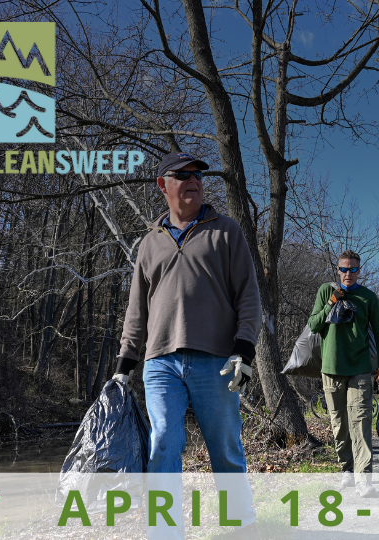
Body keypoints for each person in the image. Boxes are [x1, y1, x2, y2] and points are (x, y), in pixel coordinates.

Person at [112, 152, 263, 539]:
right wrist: (124, 366)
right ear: (163, 185)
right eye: (183, 175)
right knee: (164, 442)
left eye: (198, 175)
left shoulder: (226, 231)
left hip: (217, 360)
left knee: (226, 449)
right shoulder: (149, 243)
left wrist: (245, 351)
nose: (194, 180)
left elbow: (248, 295)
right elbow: (136, 311)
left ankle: (241, 528)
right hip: (160, 361)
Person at [308, 250, 379, 497]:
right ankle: (347, 468)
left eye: (353, 269)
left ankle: (365, 478)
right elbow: (313, 325)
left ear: (359, 271)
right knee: (339, 421)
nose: (348, 274)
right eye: (344, 269)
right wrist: (332, 302)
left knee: (362, 421)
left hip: (361, 368)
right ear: (337, 270)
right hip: (331, 368)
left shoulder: (368, 297)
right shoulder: (325, 290)